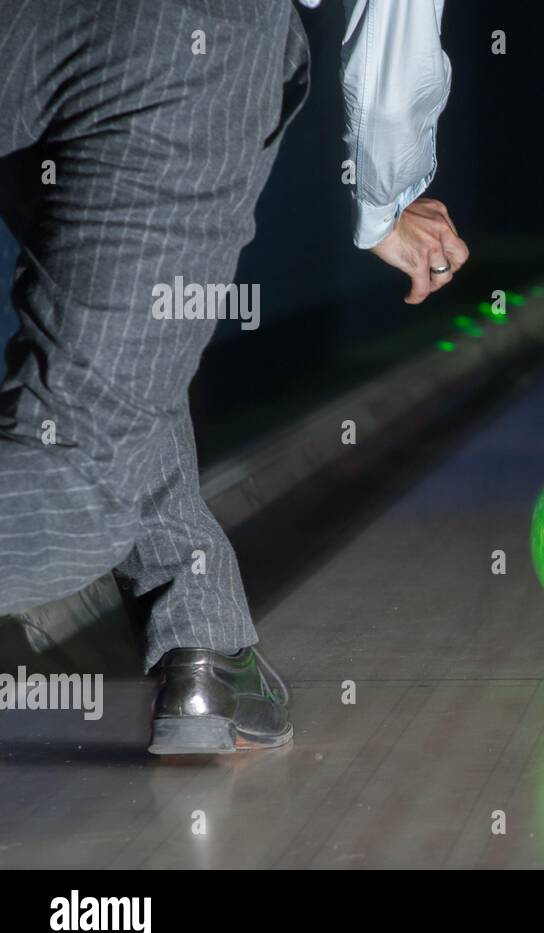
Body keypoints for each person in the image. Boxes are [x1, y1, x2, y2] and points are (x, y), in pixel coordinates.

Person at [0, 0, 467, 754]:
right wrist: (389, 202)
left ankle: (205, 639)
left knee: (127, 348)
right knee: (82, 485)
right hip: (174, 40)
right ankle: (203, 643)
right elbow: (394, 51)